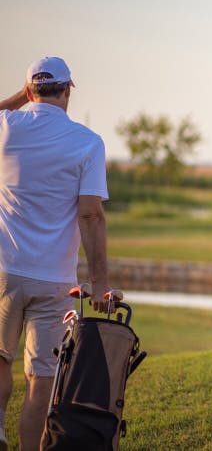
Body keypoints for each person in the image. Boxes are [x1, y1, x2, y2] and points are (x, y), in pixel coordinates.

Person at [0, 57, 111, 451]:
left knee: (0, 359)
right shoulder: (88, 142)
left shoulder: (6, 128)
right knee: (42, 378)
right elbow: (91, 214)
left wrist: (22, 95)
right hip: (55, 280)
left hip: (3, 273)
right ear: (68, 91)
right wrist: (99, 281)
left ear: (30, 91)